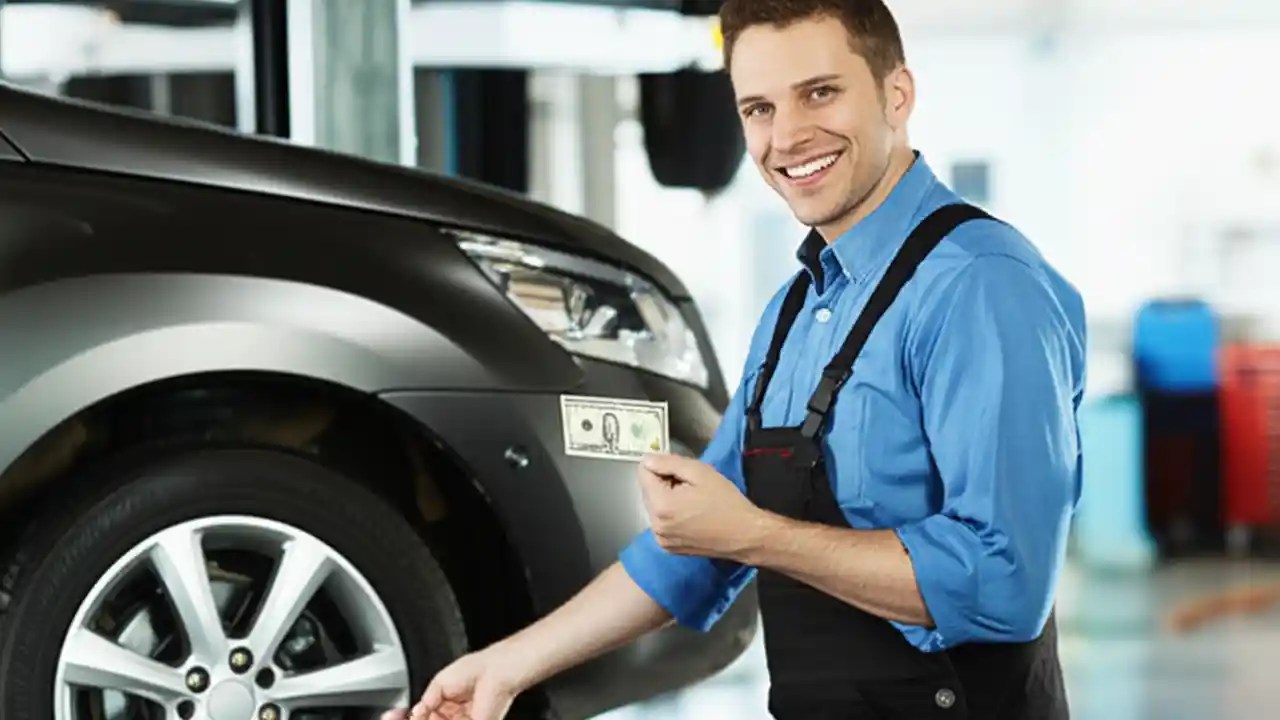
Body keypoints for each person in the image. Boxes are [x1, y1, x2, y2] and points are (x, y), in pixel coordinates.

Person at [385, 0, 1086, 718]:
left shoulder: (980, 285)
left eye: (820, 93)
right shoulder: (793, 313)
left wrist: (758, 536)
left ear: (896, 94)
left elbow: (1006, 586)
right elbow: (692, 546)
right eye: (758, 108)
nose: (787, 136)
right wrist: (506, 666)